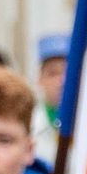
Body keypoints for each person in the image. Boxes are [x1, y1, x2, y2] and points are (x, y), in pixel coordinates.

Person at [31, 34, 69, 163]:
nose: (61, 81)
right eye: (53, 73)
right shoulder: (29, 126)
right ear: (40, 80)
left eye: (67, 72)